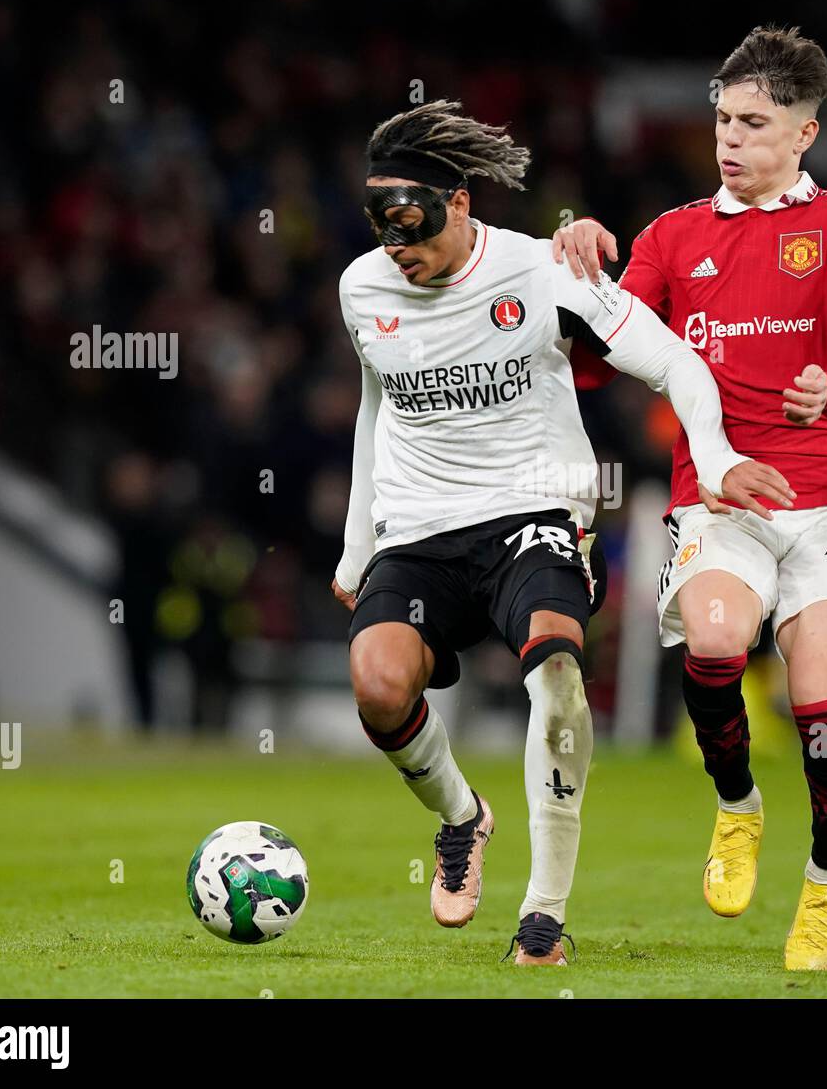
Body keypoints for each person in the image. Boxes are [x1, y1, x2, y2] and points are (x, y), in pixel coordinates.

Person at [332, 100, 790, 965]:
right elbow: (372, 407)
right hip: (420, 528)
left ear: (460, 204)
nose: (400, 248)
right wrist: (359, 546)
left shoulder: (544, 271)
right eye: (383, 230)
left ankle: (543, 915)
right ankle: (463, 819)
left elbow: (677, 362)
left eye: (414, 226)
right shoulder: (363, 288)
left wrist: (719, 456)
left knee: (561, 679)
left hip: (534, 516)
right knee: (378, 685)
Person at [553, 25, 827, 970]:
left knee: (824, 702)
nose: (731, 138)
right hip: (721, 501)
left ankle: (826, 887)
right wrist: (576, 264)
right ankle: (739, 807)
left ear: (804, 135)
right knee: (713, 643)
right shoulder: (673, 236)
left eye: (755, 123)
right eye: (723, 119)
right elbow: (602, 350)